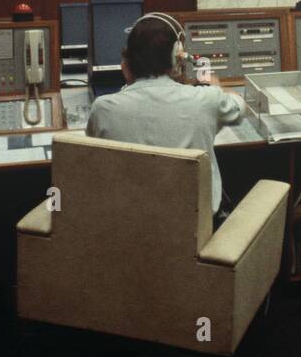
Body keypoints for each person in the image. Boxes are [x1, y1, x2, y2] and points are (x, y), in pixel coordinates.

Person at [86, 12, 244, 224]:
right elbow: (239, 108)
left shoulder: (103, 109)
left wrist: (129, 81)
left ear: (127, 61)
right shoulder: (207, 99)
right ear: (176, 56)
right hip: (195, 231)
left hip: (126, 231)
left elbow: (92, 157)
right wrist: (215, 86)